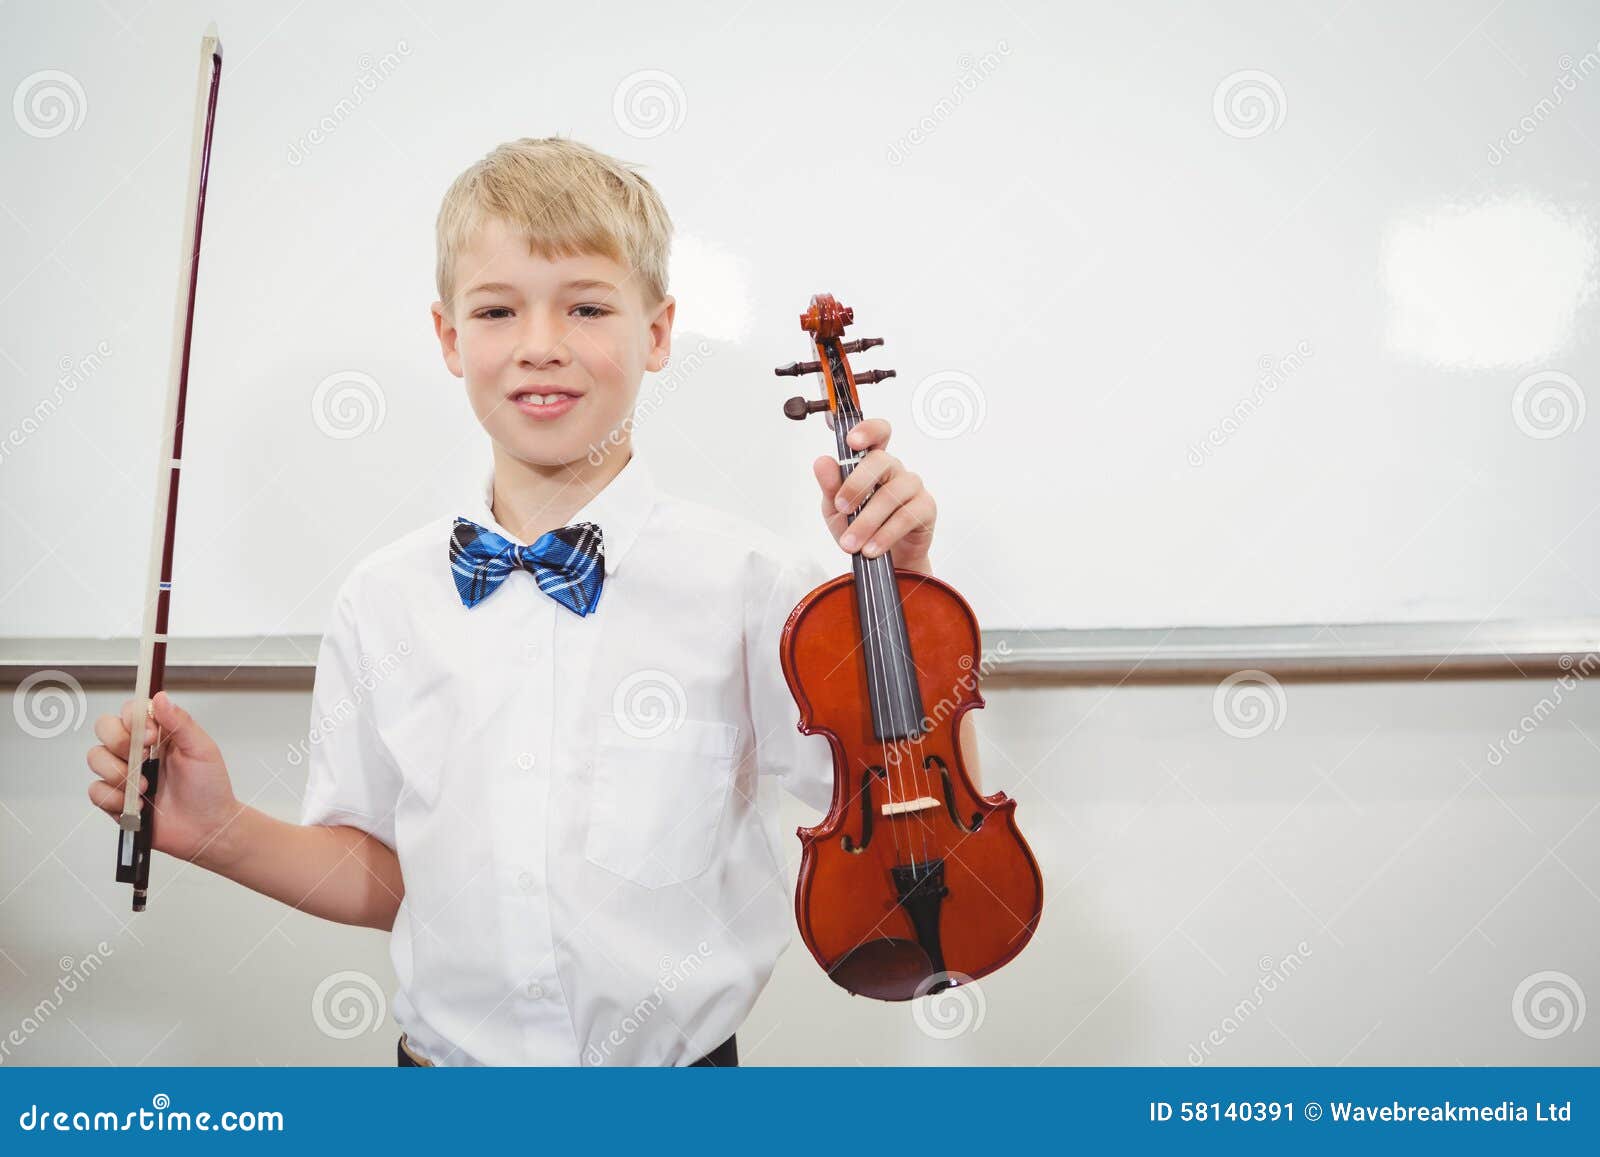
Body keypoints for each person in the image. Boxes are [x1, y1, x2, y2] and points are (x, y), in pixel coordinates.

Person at [86, 136, 969, 1066]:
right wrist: (219, 829)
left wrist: (903, 597)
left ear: (658, 332)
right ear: (449, 337)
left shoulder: (756, 585)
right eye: (498, 310)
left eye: (587, 306)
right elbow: (389, 875)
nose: (541, 346)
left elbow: (912, 826)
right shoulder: (382, 601)